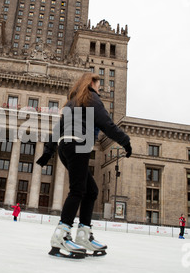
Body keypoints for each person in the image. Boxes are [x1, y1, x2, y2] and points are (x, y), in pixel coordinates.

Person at [37, 72, 132, 259]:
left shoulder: (73, 101)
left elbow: (58, 128)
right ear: (91, 83)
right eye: (98, 84)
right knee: (78, 190)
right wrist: (125, 141)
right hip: (78, 143)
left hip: (65, 145)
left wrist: (48, 151)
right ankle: (61, 235)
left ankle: (83, 234)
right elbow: (107, 123)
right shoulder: (92, 98)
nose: (100, 88)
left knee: (91, 190)